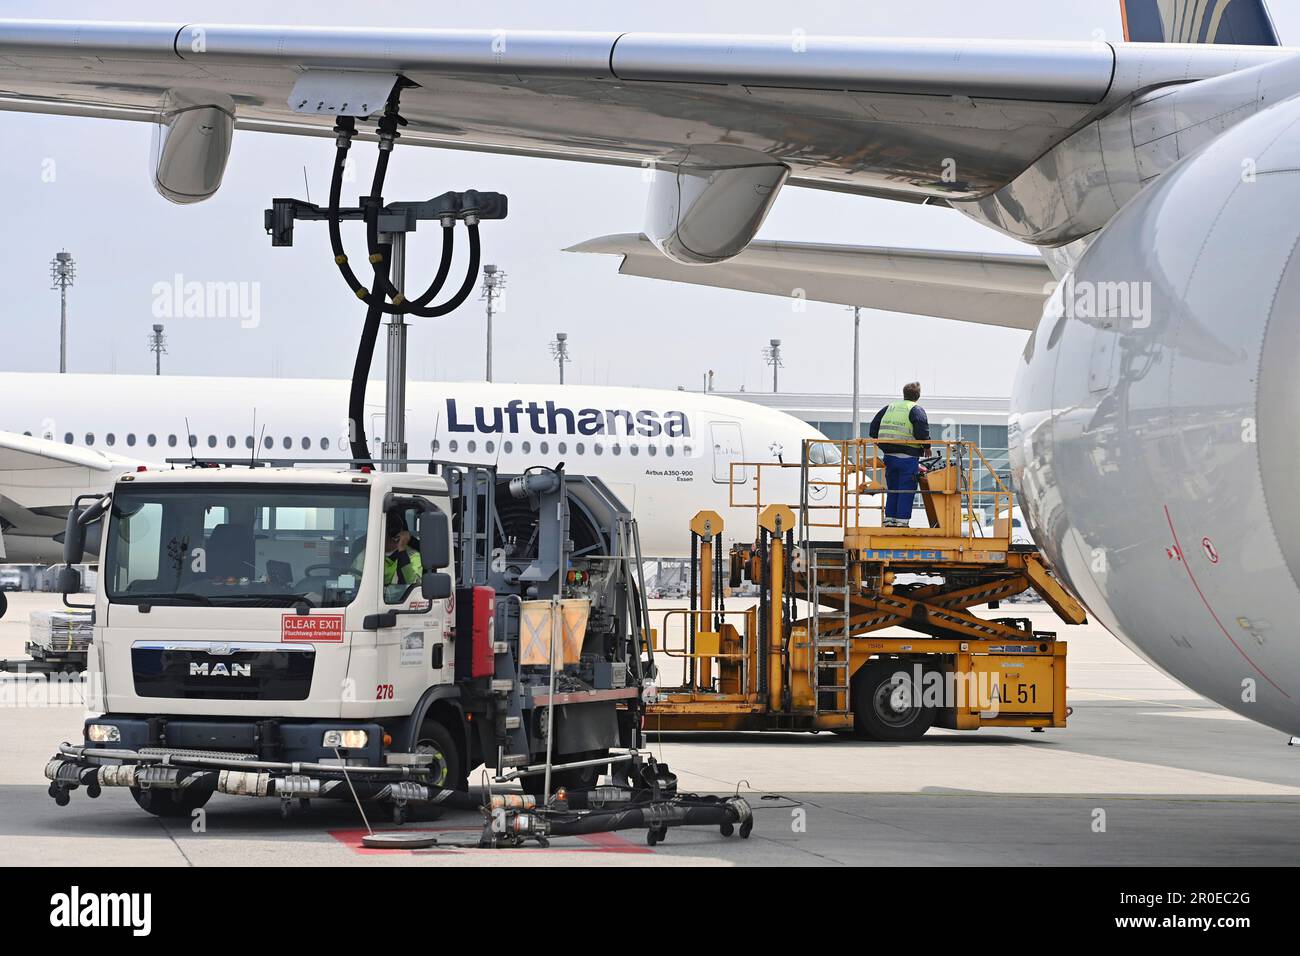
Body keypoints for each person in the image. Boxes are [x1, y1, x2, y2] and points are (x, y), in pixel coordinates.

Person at [869, 382, 931, 527]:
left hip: (889, 457)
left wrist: (882, 443)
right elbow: (922, 432)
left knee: (893, 489)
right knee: (906, 489)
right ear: (918, 396)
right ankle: (902, 523)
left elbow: (873, 430)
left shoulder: (889, 408)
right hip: (907, 457)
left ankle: (889, 520)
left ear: (904, 394)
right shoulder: (915, 410)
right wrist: (927, 447)